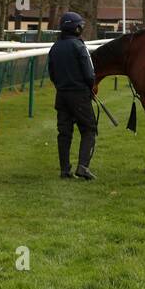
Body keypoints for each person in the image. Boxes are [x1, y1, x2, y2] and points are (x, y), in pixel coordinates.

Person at [47, 11, 98, 179]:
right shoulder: (79, 46)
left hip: (61, 96)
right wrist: (90, 88)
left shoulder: (54, 48)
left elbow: (52, 74)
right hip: (79, 96)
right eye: (80, 25)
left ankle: (64, 170)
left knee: (64, 133)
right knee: (89, 129)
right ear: (76, 28)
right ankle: (83, 166)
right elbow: (90, 75)